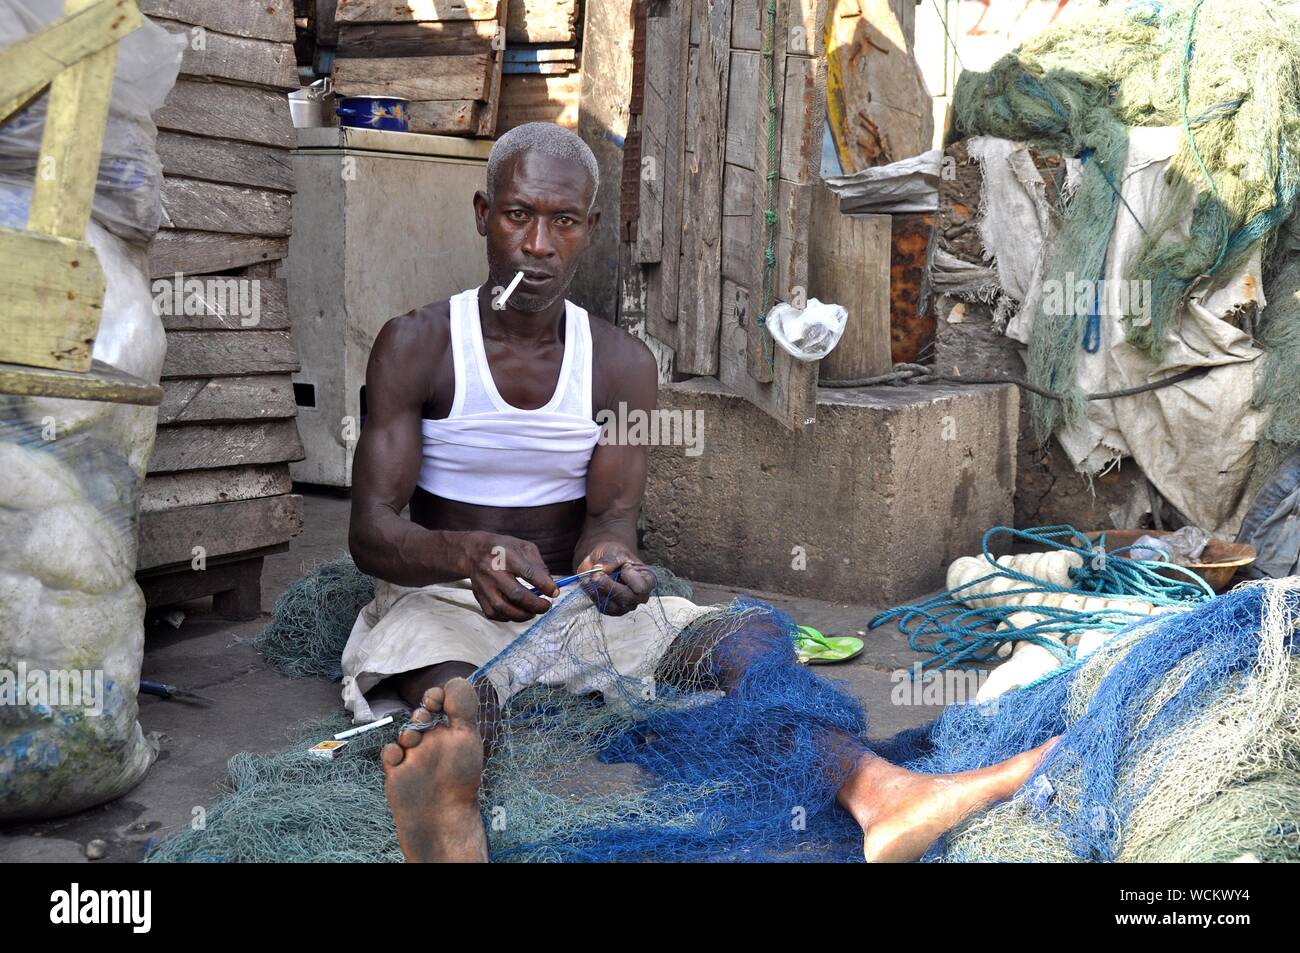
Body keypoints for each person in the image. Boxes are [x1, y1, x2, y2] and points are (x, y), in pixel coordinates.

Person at [345, 122, 1056, 863]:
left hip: (569, 605)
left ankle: (881, 792)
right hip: (442, 599)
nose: (538, 245)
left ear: (591, 229)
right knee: (458, 696)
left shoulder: (618, 363)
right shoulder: (419, 342)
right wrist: (470, 553)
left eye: (562, 222)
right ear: (482, 213)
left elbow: (609, 521)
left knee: (743, 639)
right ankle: (453, 813)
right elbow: (369, 531)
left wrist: (612, 565)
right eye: (518, 215)